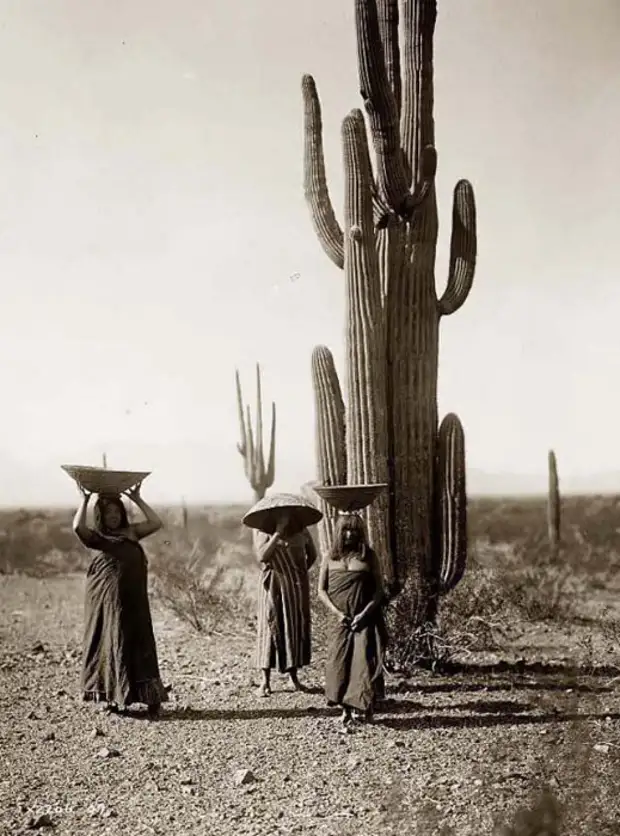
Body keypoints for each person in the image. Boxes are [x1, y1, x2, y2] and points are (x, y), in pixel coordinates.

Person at [72, 482, 169, 717]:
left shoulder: (132, 532)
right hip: (109, 602)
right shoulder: (97, 538)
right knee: (112, 640)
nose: (114, 517)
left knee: (139, 641)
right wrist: (84, 499)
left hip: (135, 600)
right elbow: (77, 527)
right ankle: (111, 696)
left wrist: (137, 498)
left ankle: (150, 698)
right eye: (108, 513)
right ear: (100, 516)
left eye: (117, 512)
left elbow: (156, 523)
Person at [318, 513, 387, 727]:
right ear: (338, 532)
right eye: (346, 530)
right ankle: (345, 710)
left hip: (364, 618)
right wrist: (338, 614)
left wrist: (364, 614)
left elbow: (378, 591)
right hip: (339, 620)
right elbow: (321, 590)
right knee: (339, 663)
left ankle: (366, 709)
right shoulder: (330, 557)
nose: (350, 534)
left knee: (364, 663)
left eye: (354, 530)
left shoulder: (369, 556)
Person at [253, 512, 318, 697]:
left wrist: (297, 572)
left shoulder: (302, 531)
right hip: (271, 585)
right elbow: (262, 556)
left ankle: (293, 677)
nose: (285, 518)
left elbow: (312, 555)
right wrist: (278, 533)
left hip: (294, 587)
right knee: (269, 628)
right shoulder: (263, 531)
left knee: (292, 627)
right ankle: (264, 681)